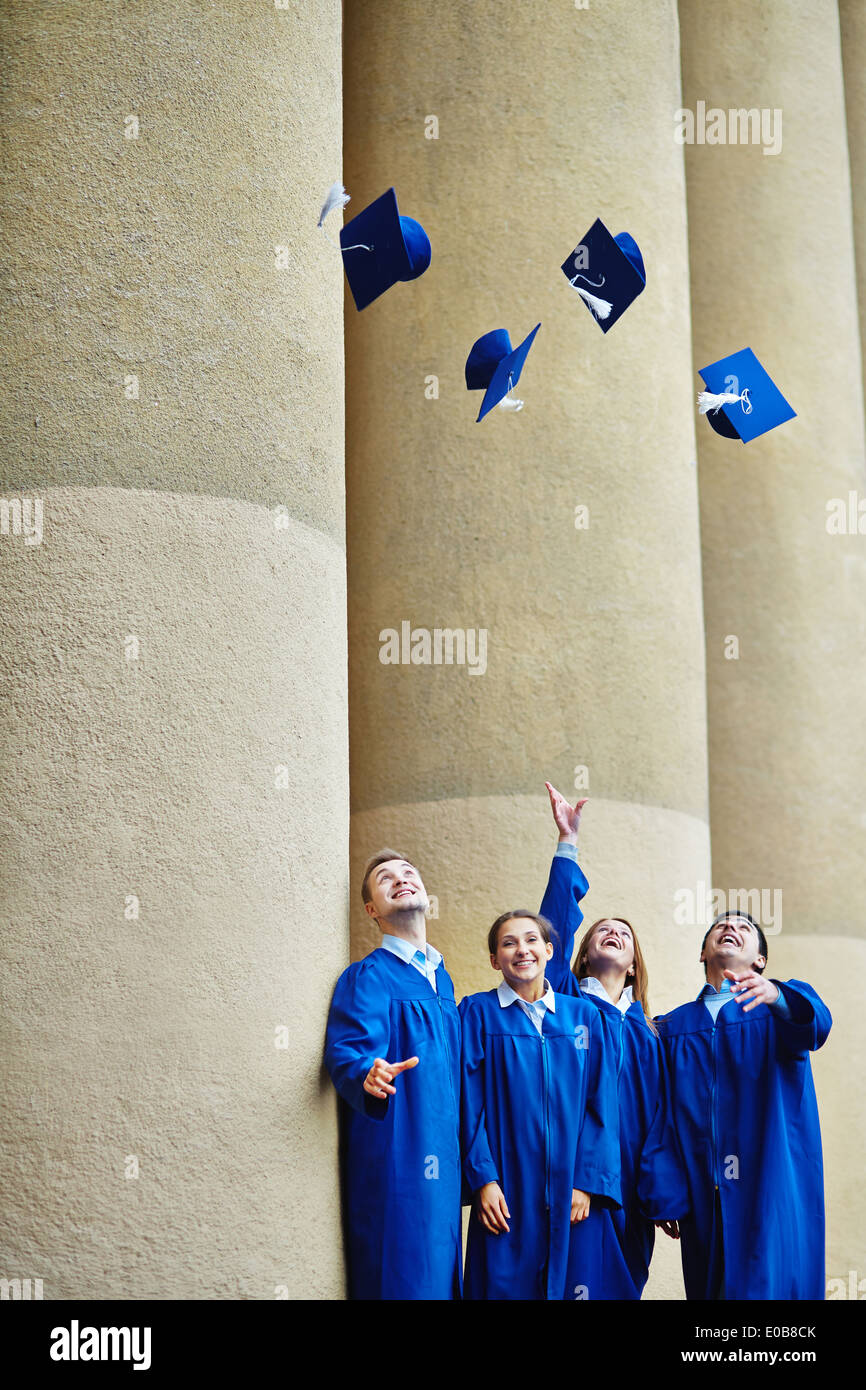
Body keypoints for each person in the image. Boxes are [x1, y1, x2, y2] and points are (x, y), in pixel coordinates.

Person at [540, 783, 689, 1300]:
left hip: (630, 1180)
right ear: (582, 956)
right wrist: (567, 844)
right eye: (602, 928)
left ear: (633, 966)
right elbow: (551, 932)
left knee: (625, 1284)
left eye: (624, 933)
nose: (613, 932)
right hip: (575, 1173)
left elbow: (664, 1115)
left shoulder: (650, 1032)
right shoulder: (562, 1003)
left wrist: (664, 1192)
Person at [655, 908, 832, 1299]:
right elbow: (659, 1116)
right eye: (721, 925)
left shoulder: (777, 1011)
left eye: (744, 927)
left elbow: (817, 1024)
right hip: (703, 1193)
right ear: (703, 953)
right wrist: (665, 1188)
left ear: (760, 961)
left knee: (771, 1286)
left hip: (769, 1183)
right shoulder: (670, 1027)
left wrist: (777, 995)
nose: (731, 927)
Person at [459, 902, 621, 1300]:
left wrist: (586, 1182)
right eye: (509, 943)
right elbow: (468, 1102)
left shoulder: (584, 1017)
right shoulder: (477, 1013)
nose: (522, 950)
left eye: (532, 940)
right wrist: (483, 1178)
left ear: (550, 950)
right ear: (495, 960)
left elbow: (602, 1105)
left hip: (571, 1189)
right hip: (507, 1185)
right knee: (501, 1283)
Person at [324, 850, 462, 1299]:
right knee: (403, 1276)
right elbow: (349, 1051)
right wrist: (369, 1072)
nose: (400, 879)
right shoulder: (369, 976)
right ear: (372, 910)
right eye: (385, 878)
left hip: (444, 1162)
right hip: (399, 1158)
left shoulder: (442, 980)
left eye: (408, 873)